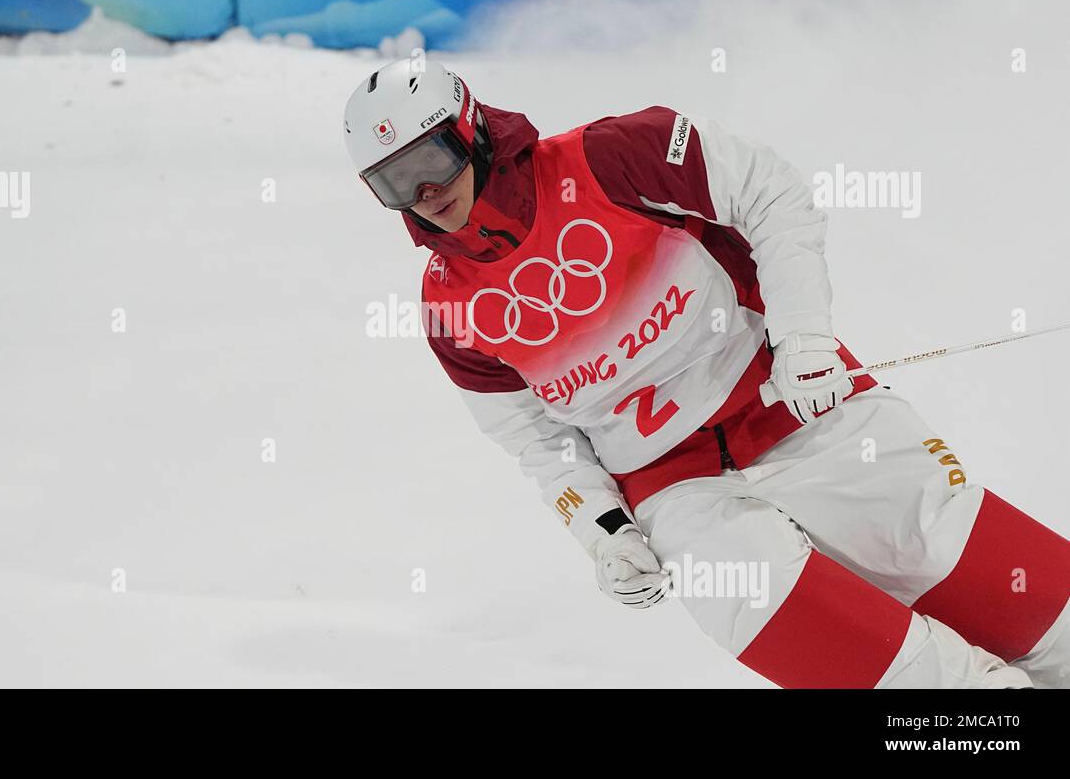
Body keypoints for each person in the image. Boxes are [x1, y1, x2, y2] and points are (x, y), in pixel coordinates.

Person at [342, 59, 1069, 688]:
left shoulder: (611, 155)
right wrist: (603, 532)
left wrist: (805, 339)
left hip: (789, 401)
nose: (424, 193)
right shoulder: (448, 306)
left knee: (1008, 585)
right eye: (393, 182)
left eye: (429, 161)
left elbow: (772, 192)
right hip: (672, 481)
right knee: (773, 614)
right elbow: (532, 436)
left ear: (469, 128)